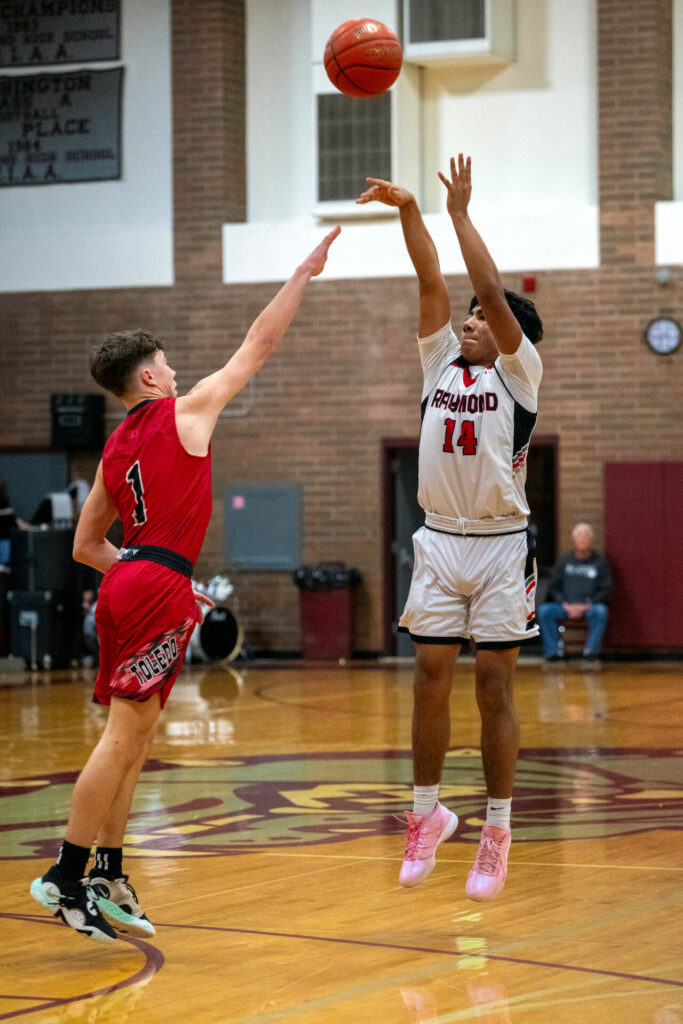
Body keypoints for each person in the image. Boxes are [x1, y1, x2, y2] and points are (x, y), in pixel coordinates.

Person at [30, 225, 340, 944]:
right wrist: (301, 273)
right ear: (148, 378)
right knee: (121, 738)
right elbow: (258, 344)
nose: (175, 372)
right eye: (167, 365)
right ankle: (67, 872)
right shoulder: (186, 411)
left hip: (130, 583)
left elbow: (85, 546)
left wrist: (146, 577)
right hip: (152, 584)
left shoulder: (114, 447)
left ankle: (105, 868)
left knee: (133, 739)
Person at [357, 156, 543, 901]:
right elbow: (430, 282)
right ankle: (427, 815)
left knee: (492, 690)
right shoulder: (438, 363)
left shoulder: (518, 374)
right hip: (438, 540)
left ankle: (496, 829)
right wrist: (409, 210)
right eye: (465, 315)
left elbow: (492, 291)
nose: (468, 317)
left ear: (506, 336)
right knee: (428, 681)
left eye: (479, 317)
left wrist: (461, 213)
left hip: (500, 546)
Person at [537, 523, 611, 661]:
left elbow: (606, 588)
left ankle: (591, 651)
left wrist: (588, 604)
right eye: (579, 536)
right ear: (574, 540)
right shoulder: (564, 561)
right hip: (565, 606)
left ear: (591, 540)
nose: (582, 539)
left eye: (585, 536)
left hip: (589, 606)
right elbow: (553, 587)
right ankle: (553, 652)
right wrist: (565, 604)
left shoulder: (599, 562)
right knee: (544, 611)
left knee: (601, 611)